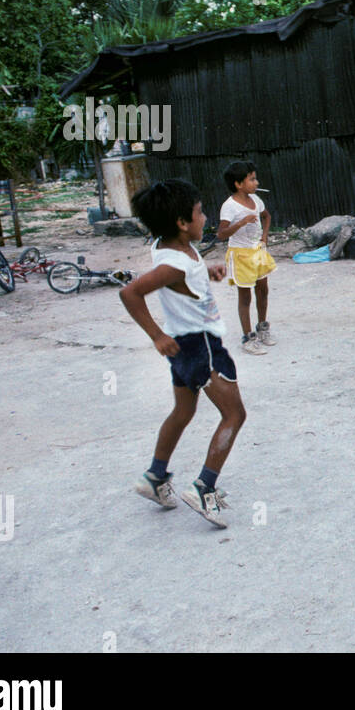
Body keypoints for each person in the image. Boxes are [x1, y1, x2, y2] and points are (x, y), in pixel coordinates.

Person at [120, 179, 246, 528]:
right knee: (234, 415)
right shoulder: (177, 264)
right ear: (181, 222)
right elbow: (130, 293)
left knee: (183, 410)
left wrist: (204, 272)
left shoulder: (167, 247)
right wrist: (156, 335)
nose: (205, 218)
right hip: (201, 345)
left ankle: (155, 477)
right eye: (200, 212)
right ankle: (205, 488)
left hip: (183, 348)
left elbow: (180, 274)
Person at [217, 160, 277, 355]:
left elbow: (266, 217)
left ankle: (262, 327)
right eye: (252, 179)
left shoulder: (256, 200)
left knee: (263, 290)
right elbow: (221, 234)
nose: (257, 182)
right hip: (240, 254)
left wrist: (265, 235)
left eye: (255, 178)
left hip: (258, 251)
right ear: (238, 184)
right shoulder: (230, 207)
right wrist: (241, 222)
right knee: (245, 296)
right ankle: (247, 337)